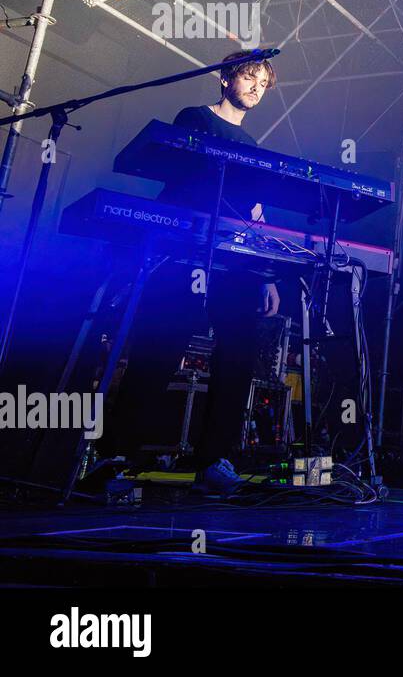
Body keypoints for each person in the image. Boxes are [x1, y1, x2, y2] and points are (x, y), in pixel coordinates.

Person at [107, 51, 279, 496]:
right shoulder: (195, 119)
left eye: (264, 81)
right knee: (159, 348)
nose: (258, 86)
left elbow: (256, 217)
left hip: (234, 263)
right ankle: (117, 457)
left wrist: (267, 275)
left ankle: (214, 460)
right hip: (184, 252)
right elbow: (187, 177)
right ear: (225, 79)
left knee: (238, 354)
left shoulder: (256, 148)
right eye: (250, 76)